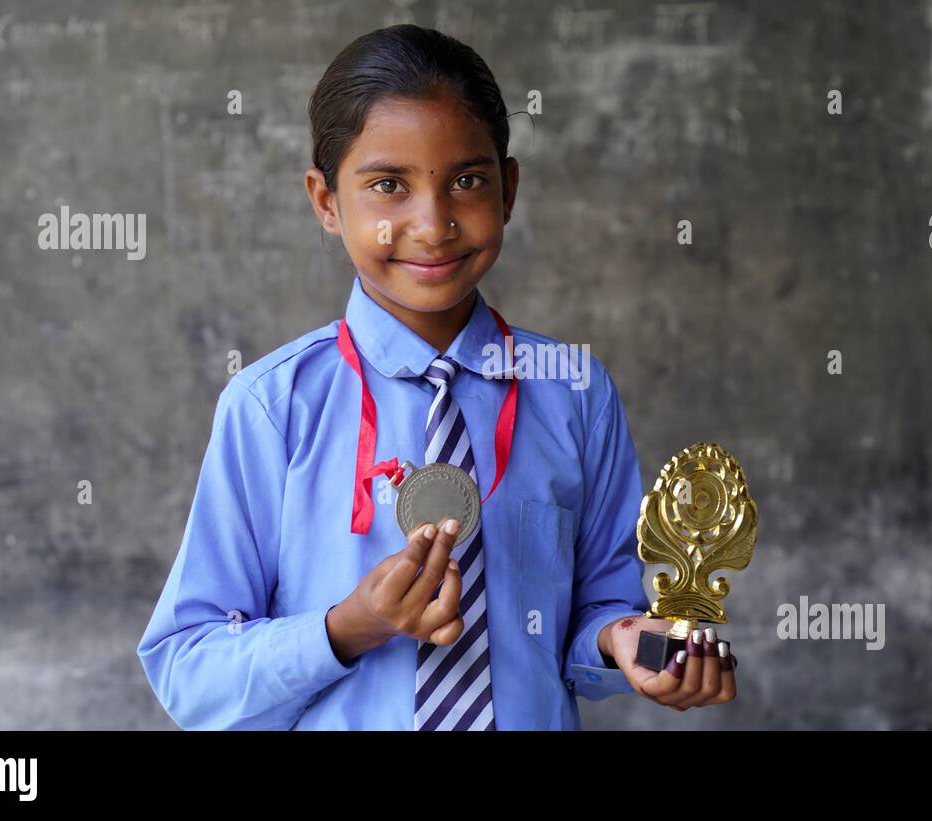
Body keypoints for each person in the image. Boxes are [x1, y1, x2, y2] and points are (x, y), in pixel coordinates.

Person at [136, 23, 737, 730]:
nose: (432, 223)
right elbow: (188, 668)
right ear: (327, 202)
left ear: (508, 190)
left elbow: (595, 614)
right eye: (388, 185)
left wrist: (634, 643)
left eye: (467, 181)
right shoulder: (271, 408)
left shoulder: (574, 393)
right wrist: (347, 627)